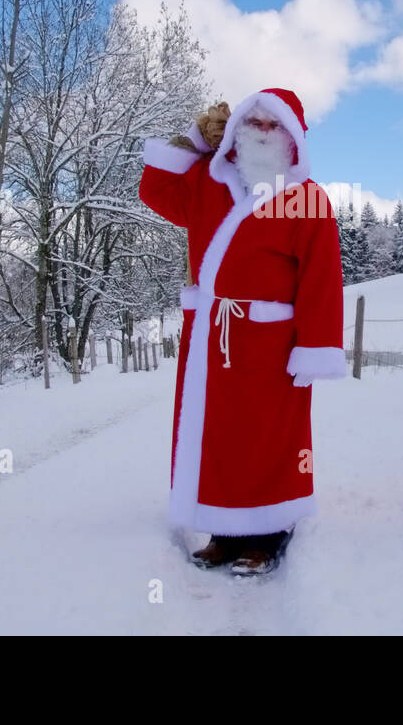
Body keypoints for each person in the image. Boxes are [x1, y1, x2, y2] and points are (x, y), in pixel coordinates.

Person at [139, 88, 345, 575]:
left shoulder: (306, 199)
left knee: (268, 437)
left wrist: (314, 348)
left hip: (272, 343)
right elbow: (154, 191)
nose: (263, 133)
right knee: (216, 434)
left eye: (275, 126)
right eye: (254, 124)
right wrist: (194, 138)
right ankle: (223, 533)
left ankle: (268, 534)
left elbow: (321, 277)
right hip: (212, 339)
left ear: (292, 137)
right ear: (237, 131)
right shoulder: (208, 183)